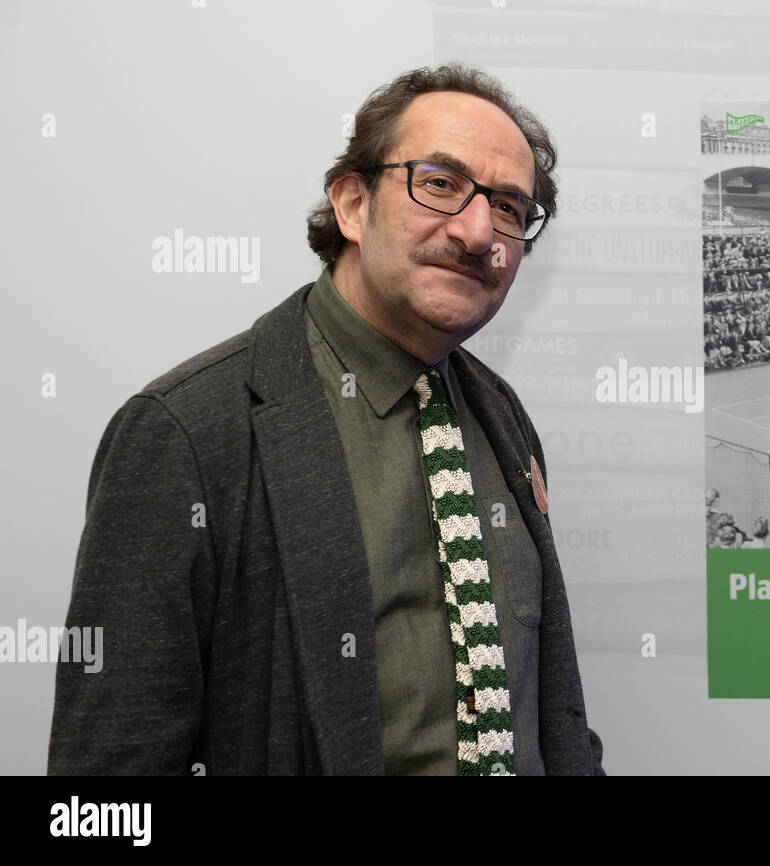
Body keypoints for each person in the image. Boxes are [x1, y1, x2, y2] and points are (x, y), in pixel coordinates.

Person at [47, 65, 604, 776]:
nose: (476, 231)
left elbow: (548, 710)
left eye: (508, 208)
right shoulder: (186, 431)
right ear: (351, 204)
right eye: (439, 183)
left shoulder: (503, 418)